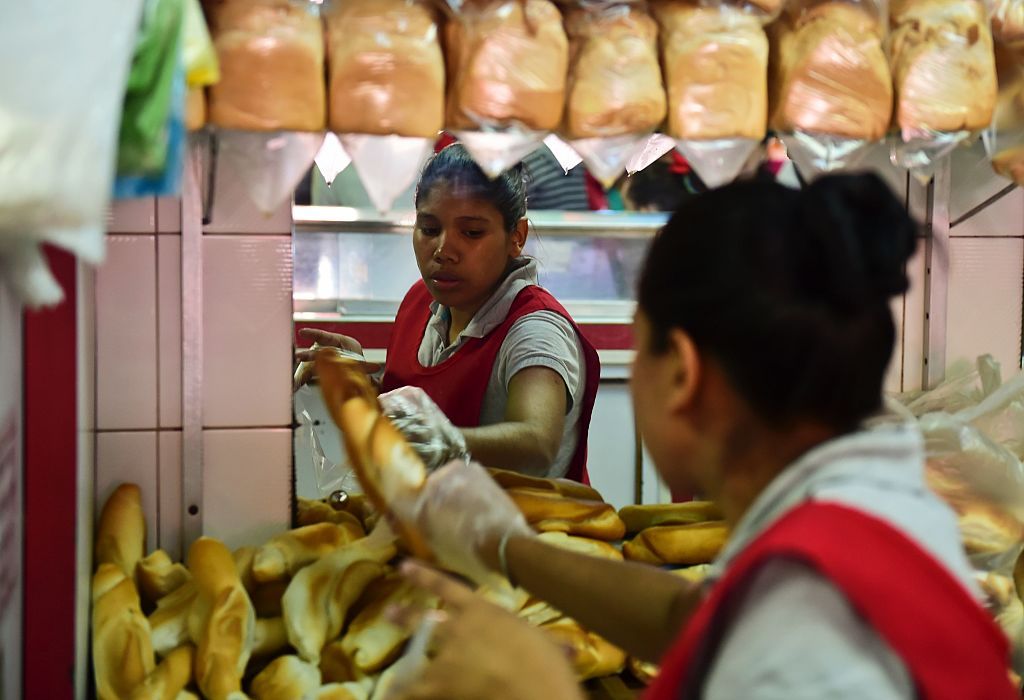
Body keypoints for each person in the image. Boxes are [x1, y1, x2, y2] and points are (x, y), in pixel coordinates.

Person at [385, 173, 1018, 699]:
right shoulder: (859, 517)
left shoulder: (811, 627)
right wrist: (507, 546)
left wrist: (540, 688)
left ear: (682, 373)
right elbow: (689, 619)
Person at [298, 143, 600, 481]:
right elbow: (429, 404)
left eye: (471, 233)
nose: (443, 250)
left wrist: (440, 437)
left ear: (517, 237)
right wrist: (364, 381)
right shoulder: (420, 304)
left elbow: (538, 444)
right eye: (429, 229)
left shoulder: (534, 329)